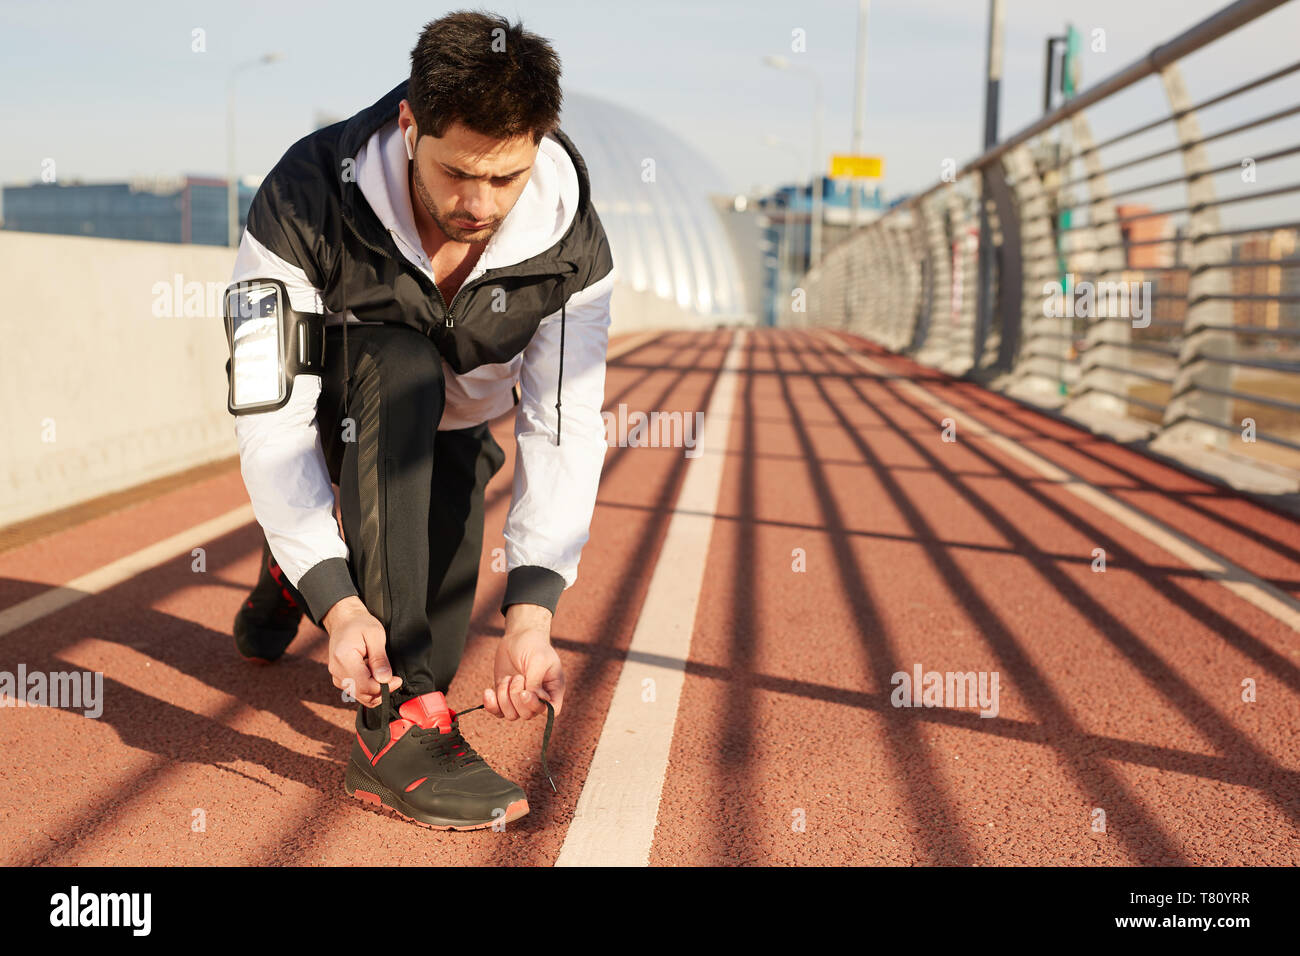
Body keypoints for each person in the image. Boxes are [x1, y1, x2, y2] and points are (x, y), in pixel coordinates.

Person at [223, 9, 614, 830]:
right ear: (409, 125)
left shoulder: (572, 245)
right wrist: (339, 602)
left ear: (538, 146)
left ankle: (288, 567)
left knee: (442, 531)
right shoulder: (301, 199)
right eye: (455, 174)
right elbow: (271, 422)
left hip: (457, 430)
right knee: (398, 370)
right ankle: (399, 722)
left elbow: (563, 421)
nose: (477, 203)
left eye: (505, 178)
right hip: (343, 414)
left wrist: (533, 614)